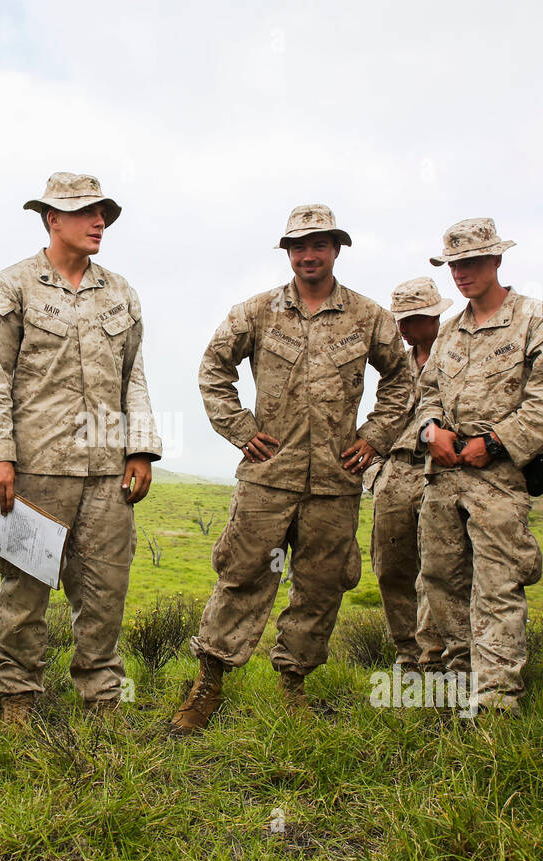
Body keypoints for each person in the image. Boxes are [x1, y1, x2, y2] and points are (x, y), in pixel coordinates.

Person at [170, 204, 412, 735]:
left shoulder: (369, 317)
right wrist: (241, 429)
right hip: (267, 477)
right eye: (298, 246)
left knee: (321, 586)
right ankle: (207, 687)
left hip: (335, 482)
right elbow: (213, 370)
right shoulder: (256, 312)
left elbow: (402, 380)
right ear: (287, 252)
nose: (309, 254)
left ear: (336, 249)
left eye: (319, 245)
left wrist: (373, 438)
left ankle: (293, 685)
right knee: (242, 575)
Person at [0, 172, 162, 726]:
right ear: (52, 219)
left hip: (107, 473)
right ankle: (17, 701)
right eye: (84, 212)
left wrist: (140, 450)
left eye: (102, 212)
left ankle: (103, 700)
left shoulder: (121, 292)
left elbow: (135, 377)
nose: (98, 221)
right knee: (25, 590)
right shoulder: (11, 287)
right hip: (36, 469)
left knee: (104, 590)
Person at [415, 218, 543, 715]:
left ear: (497, 260)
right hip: (442, 481)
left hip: (498, 481)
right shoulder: (447, 333)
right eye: (454, 265)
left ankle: (498, 702)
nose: (461, 274)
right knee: (441, 581)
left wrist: (498, 443)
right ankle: (458, 683)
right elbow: (426, 393)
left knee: (498, 587)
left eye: (472, 262)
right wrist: (430, 430)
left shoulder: (535, 320)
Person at [370, 277, 469, 674]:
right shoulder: (396, 366)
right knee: (391, 568)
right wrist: (376, 472)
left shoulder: (460, 352)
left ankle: (443, 659)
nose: (404, 328)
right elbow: (382, 416)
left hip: (440, 471)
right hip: (394, 473)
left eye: (412, 319)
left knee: (440, 571)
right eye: (400, 321)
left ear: (435, 316)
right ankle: (407, 657)